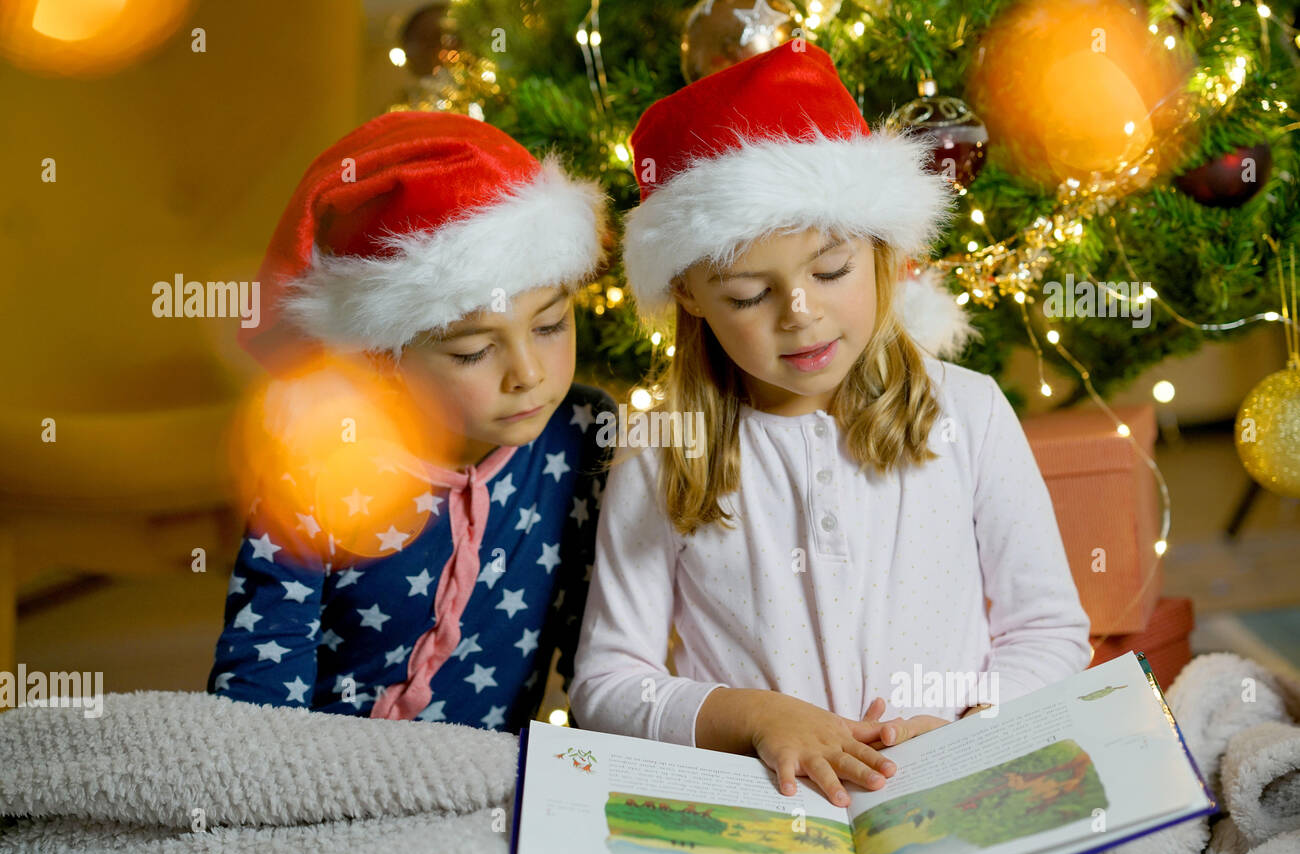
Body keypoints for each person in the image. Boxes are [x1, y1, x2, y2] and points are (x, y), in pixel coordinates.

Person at [569, 41, 1091, 806]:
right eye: (749, 295)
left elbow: (1049, 632)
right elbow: (606, 685)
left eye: (831, 270)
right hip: (762, 809)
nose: (800, 314)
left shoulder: (970, 413)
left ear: (879, 250)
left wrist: (969, 726)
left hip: (955, 784)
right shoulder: (658, 453)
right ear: (689, 294)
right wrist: (754, 716)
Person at [206, 111, 616, 733]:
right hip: (323, 778)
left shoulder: (580, 432)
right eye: (474, 351)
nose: (528, 373)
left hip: (486, 785)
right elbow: (261, 668)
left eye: (551, 324)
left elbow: (589, 640)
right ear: (383, 356)